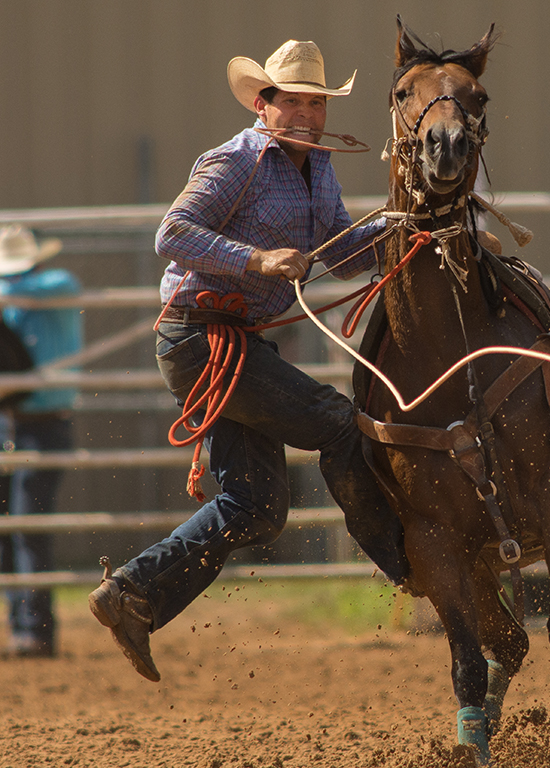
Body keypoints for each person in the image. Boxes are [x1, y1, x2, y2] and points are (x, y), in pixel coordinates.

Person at [88, 40, 411, 682]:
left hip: (230, 343)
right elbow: (171, 234)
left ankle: (133, 593)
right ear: (263, 105)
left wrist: (407, 227)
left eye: (315, 103)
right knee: (340, 423)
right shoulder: (235, 159)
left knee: (257, 507)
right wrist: (256, 259)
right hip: (201, 338)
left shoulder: (318, 168)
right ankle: (402, 560)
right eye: (291, 101)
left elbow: (341, 254)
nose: (306, 114)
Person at [0, 226, 83, 658]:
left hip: (42, 421)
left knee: (29, 527)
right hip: (9, 421)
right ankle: (20, 626)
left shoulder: (56, 286)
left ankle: (35, 629)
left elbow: (56, 285)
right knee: (9, 529)